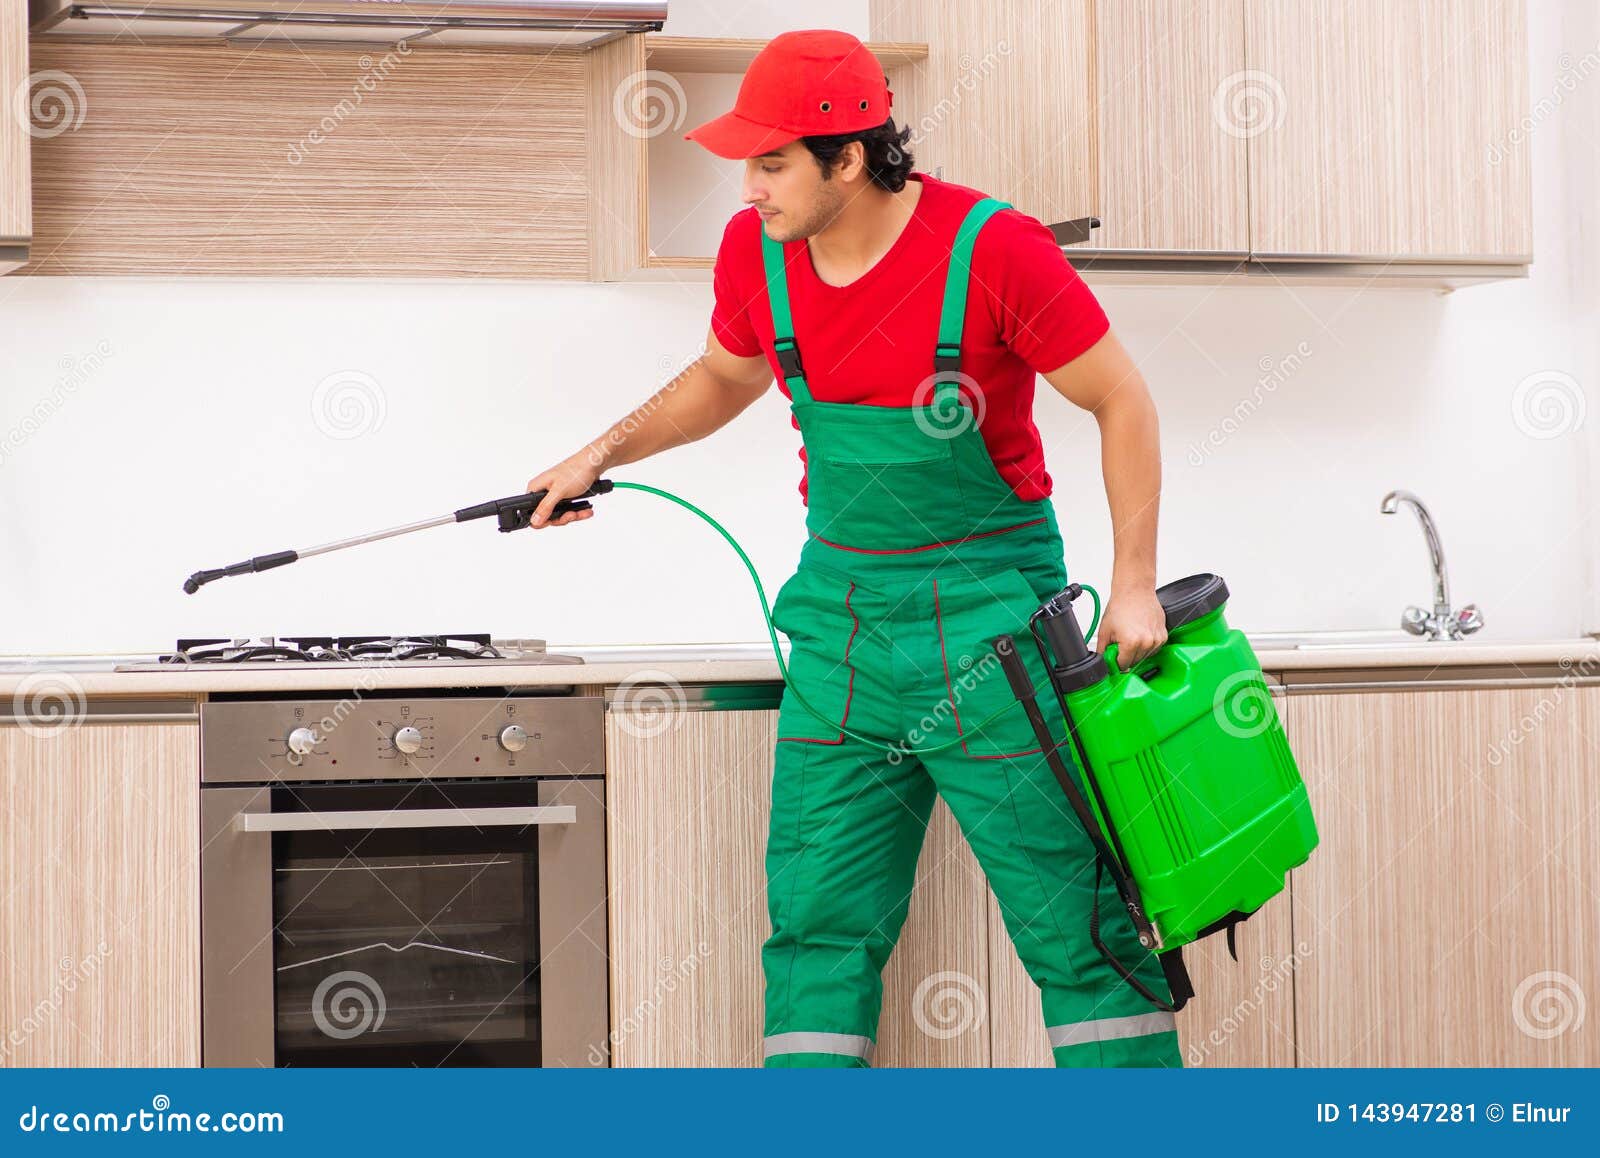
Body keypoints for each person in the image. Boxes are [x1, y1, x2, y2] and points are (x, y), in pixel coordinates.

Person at [525, 28, 1181, 1068]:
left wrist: (1134, 585)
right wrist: (597, 451)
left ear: (849, 155)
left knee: (1079, 928)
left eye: (771, 161)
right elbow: (721, 378)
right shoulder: (759, 251)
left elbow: (1122, 400)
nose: (749, 188)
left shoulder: (996, 248)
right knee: (816, 935)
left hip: (988, 629)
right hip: (836, 627)